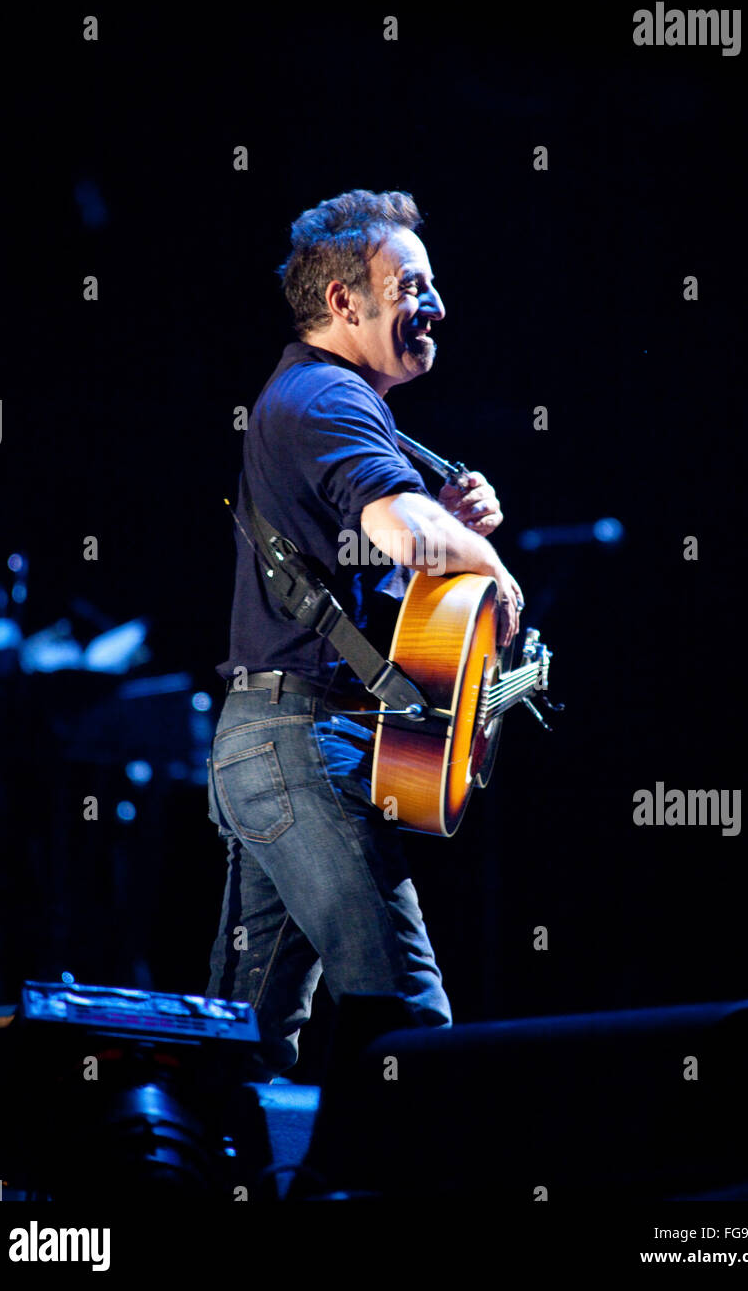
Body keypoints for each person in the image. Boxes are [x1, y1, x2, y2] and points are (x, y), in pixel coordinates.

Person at [205, 189, 523, 1079]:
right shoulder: (329, 399)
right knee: (407, 1017)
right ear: (347, 302)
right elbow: (403, 534)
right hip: (299, 743)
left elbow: (359, 571)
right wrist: (492, 571)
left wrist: (448, 525)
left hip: (270, 742)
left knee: (242, 1039)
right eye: (413, 285)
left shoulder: (315, 396)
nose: (436, 306)